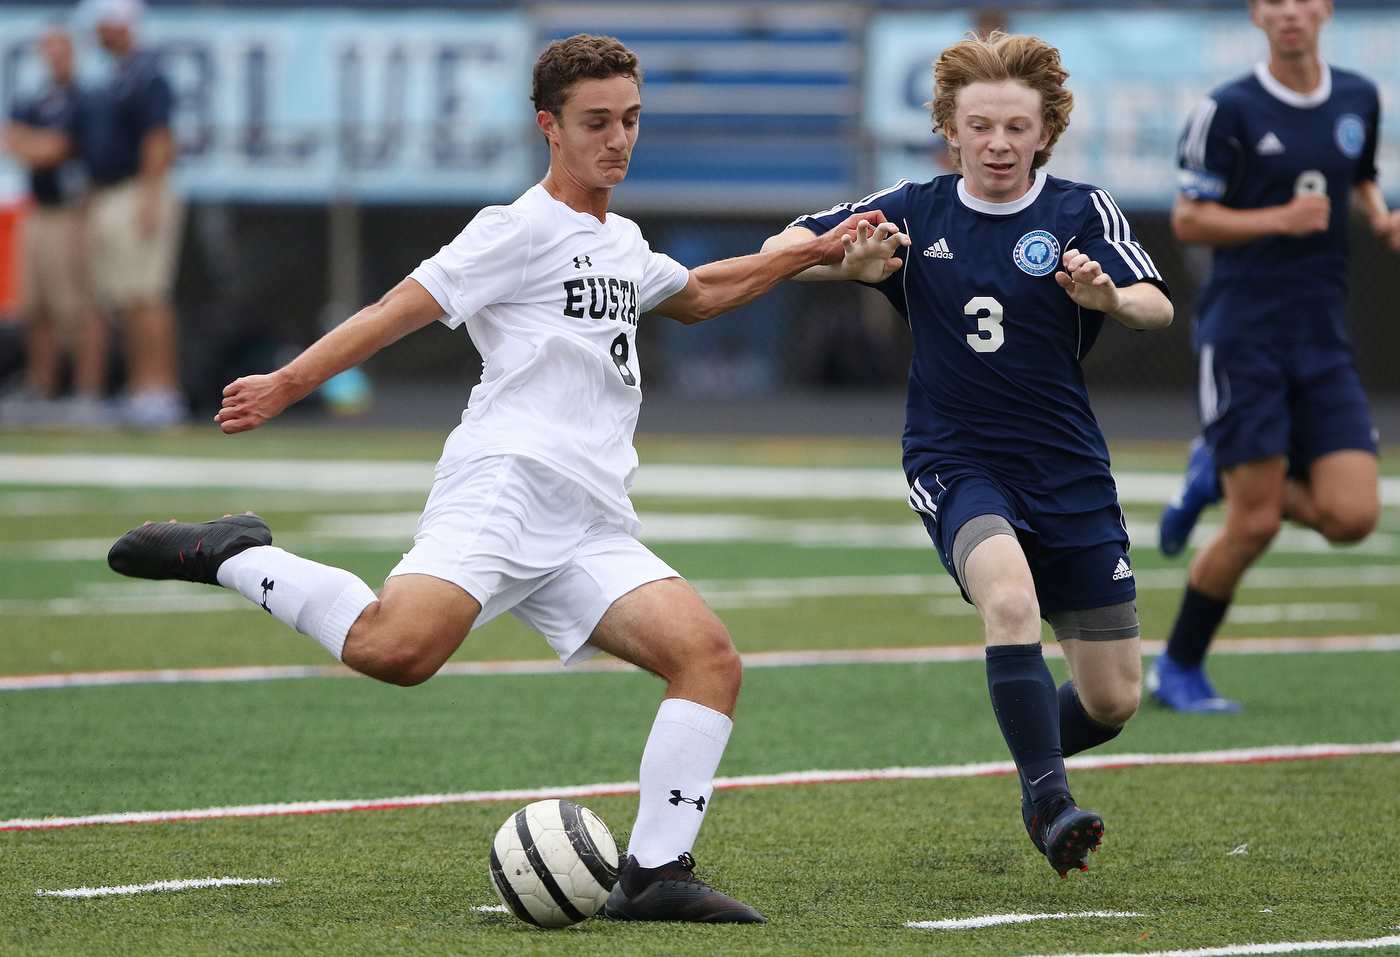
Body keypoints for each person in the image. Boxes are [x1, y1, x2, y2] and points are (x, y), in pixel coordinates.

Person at [108, 35, 881, 923]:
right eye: (596, 123)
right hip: (506, 486)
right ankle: (235, 556)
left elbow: (701, 291)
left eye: (630, 120)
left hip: (589, 517)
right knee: (395, 653)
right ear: (549, 127)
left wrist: (811, 252)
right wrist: (288, 381)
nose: (617, 140)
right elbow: (396, 310)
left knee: (707, 660)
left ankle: (657, 871)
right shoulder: (513, 230)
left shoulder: (622, 239)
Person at [763, 32, 1172, 877]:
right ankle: (1051, 803)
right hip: (956, 459)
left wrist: (1110, 298)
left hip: (1068, 470)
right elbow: (776, 252)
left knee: (1114, 697)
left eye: (1015, 128)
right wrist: (846, 263)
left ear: (1046, 132)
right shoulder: (913, 208)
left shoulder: (1082, 211)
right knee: (1010, 603)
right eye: (978, 125)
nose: (996, 143)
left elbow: (1157, 306)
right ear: (949, 128)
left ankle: (1030, 754)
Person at [1151, 0, 1400, 713]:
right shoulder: (1225, 108)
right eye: (1274, 2)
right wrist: (1277, 220)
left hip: (1323, 336)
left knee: (1352, 516)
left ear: (1325, 9)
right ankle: (1177, 667)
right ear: (1258, 15)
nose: (1290, 12)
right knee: (1254, 523)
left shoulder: (1359, 96)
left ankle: (1212, 471)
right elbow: (1188, 216)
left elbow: (1356, 174)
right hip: (1244, 335)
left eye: (1303, 0)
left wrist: (1380, 214)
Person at [78, 0, 185, 429]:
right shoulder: (116, 77)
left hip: (138, 190)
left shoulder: (147, 75)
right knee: (124, 297)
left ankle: (160, 389)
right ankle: (141, 388)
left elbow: (159, 135)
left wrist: (151, 195)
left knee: (148, 294)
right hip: (113, 192)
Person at [1, 27, 107, 426]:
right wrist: (39, 145)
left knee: (78, 306)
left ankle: (87, 389)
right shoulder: (35, 99)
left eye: (62, 48)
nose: (55, 56)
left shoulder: (86, 99)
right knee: (36, 306)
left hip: (72, 212)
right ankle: (41, 388)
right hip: (39, 209)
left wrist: (37, 146)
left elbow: (58, 149)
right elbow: (13, 140)